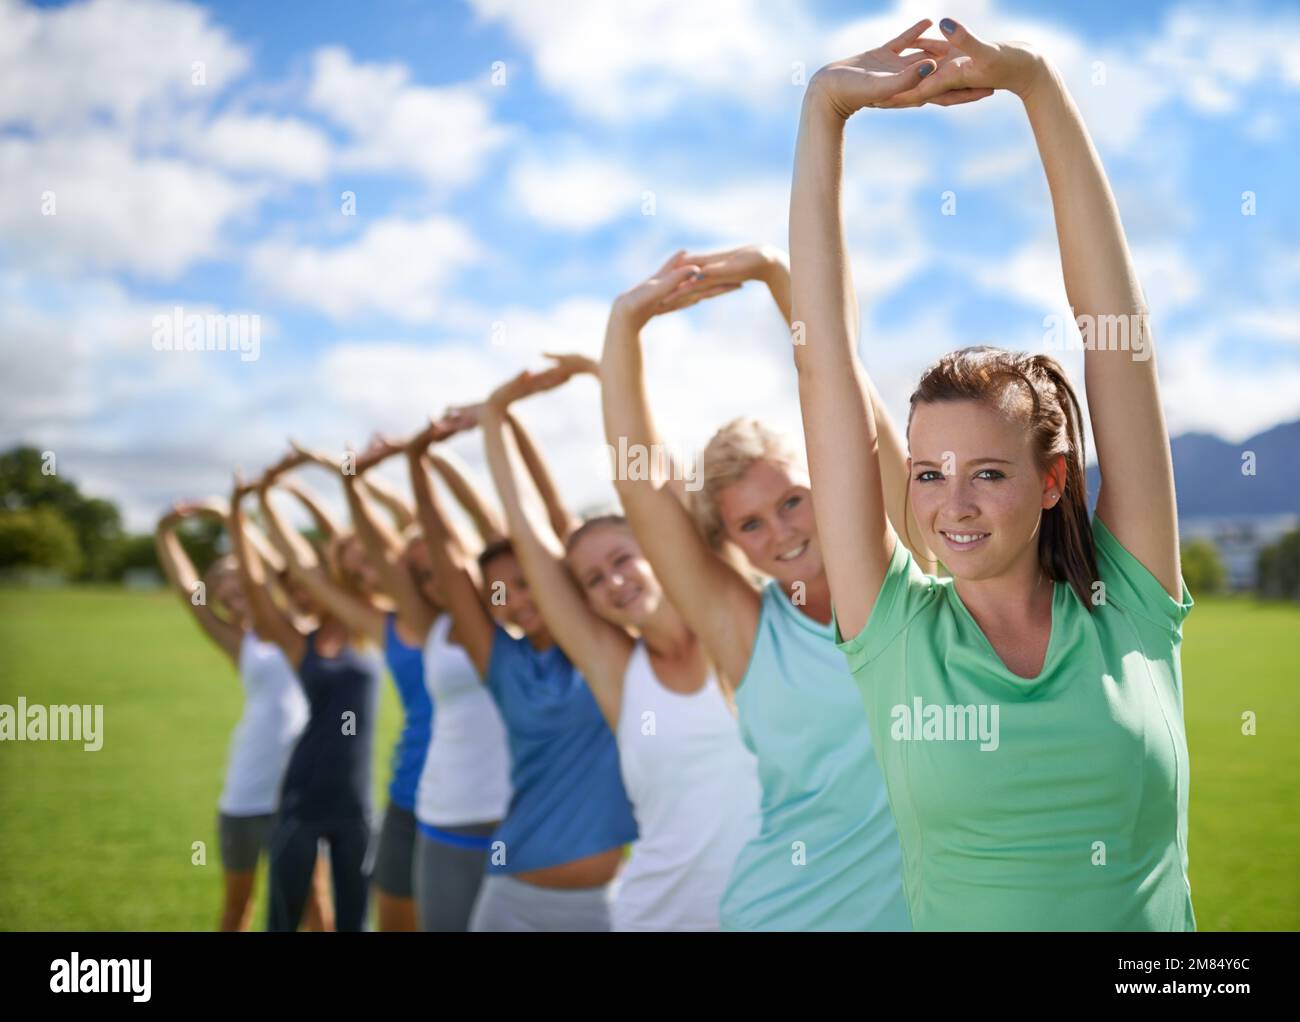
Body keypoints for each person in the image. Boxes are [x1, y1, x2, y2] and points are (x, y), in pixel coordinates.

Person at [788, 17, 1195, 930]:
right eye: (927, 474)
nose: (951, 505)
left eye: (987, 474)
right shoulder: (894, 630)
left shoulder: (1130, 600)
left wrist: (1039, 86)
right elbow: (825, 364)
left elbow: (1116, 332)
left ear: (1053, 480)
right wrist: (824, 111)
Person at [597, 244, 927, 931]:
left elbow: (841, 384)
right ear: (728, 543)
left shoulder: (905, 568)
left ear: (824, 483)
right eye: (749, 524)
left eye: (792, 500)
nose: (780, 532)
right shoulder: (747, 630)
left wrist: (779, 273)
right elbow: (640, 484)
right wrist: (624, 324)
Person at [472, 358, 762, 931]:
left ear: (657, 550)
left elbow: (661, 483)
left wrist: (610, 377)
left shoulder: (735, 625)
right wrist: (492, 417)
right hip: (651, 917)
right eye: (593, 580)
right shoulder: (617, 672)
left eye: (622, 560)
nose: (614, 582)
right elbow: (527, 533)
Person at [407, 412, 638, 932]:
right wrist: (416, 460)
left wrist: (507, 418)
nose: (514, 599)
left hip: (597, 902)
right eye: (499, 592)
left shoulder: (602, 644)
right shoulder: (501, 663)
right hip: (508, 893)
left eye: (526, 581)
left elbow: (555, 515)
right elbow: (445, 556)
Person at [155, 499, 333, 932]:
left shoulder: (302, 626)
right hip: (244, 794)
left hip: (299, 796)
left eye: (241, 585)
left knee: (317, 910)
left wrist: (228, 517)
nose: (235, 597)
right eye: (225, 594)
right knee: (237, 910)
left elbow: (274, 566)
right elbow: (187, 591)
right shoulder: (240, 642)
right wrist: (164, 532)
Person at [231, 455, 381, 932]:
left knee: (354, 921)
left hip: (355, 800)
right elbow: (257, 586)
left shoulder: (371, 627)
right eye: (294, 587)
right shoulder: (300, 643)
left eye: (308, 581)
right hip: (301, 795)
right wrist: (241, 509)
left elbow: (335, 541)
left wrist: (296, 486)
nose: (302, 591)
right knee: (283, 919)